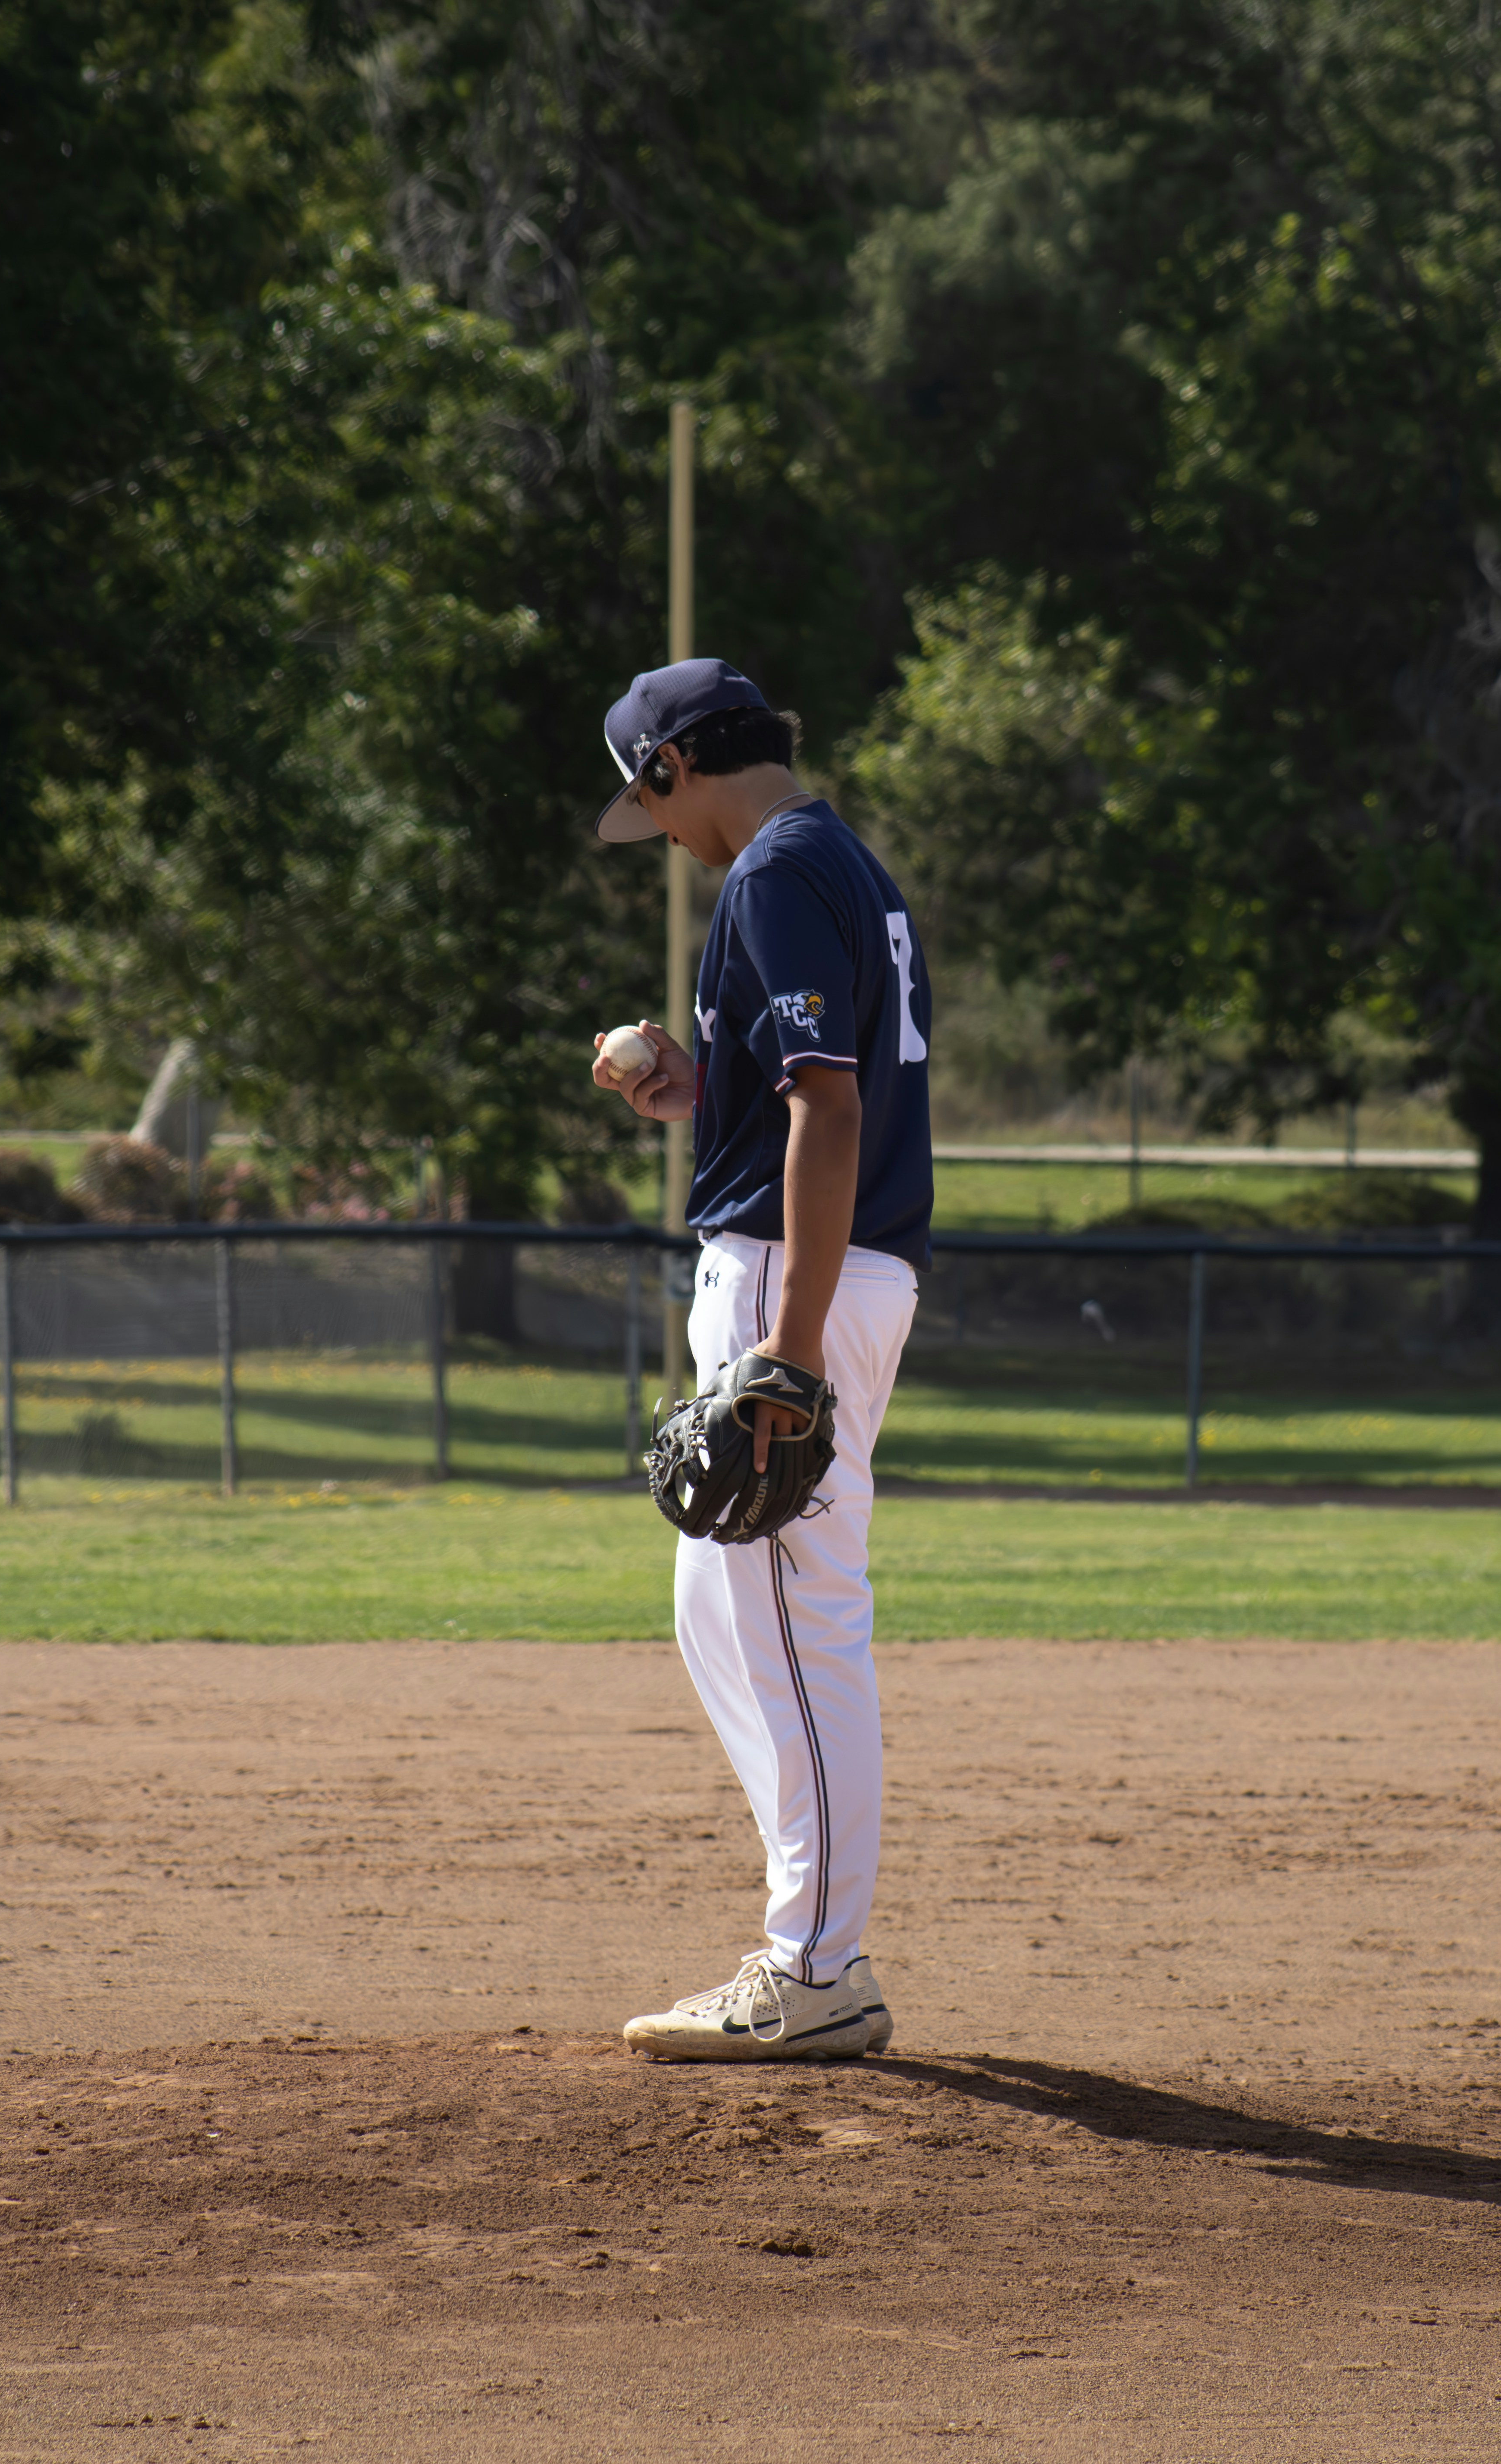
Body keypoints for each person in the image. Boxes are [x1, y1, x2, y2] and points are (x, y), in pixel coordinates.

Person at [590, 656, 933, 2060]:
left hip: (801, 1284)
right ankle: (808, 1939)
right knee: (720, 1608)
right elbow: (795, 1099)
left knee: (796, 1622)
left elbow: (832, 1112)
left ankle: (814, 1962)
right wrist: (695, 1086)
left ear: (673, 768)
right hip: (814, 1267)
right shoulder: (835, 860)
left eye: (647, 805)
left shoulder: (776, 872)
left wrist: (787, 1361)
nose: (655, 834)